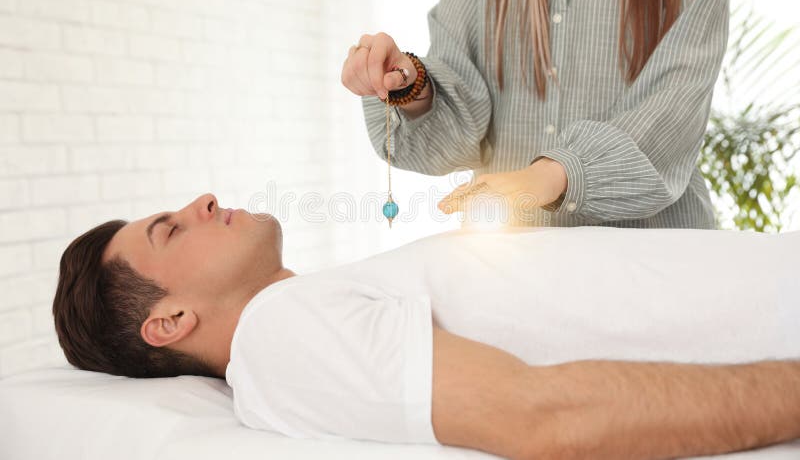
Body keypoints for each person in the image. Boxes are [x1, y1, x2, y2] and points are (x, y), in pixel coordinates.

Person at [53, 193, 800, 458]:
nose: (202, 201)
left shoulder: (297, 318)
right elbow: (543, 419)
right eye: (172, 231)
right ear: (171, 321)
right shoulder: (278, 339)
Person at [341, 0, 733, 228]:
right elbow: (460, 120)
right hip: (507, 268)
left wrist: (552, 175)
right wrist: (410, 86)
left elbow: (679, 93)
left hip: (651, 262)